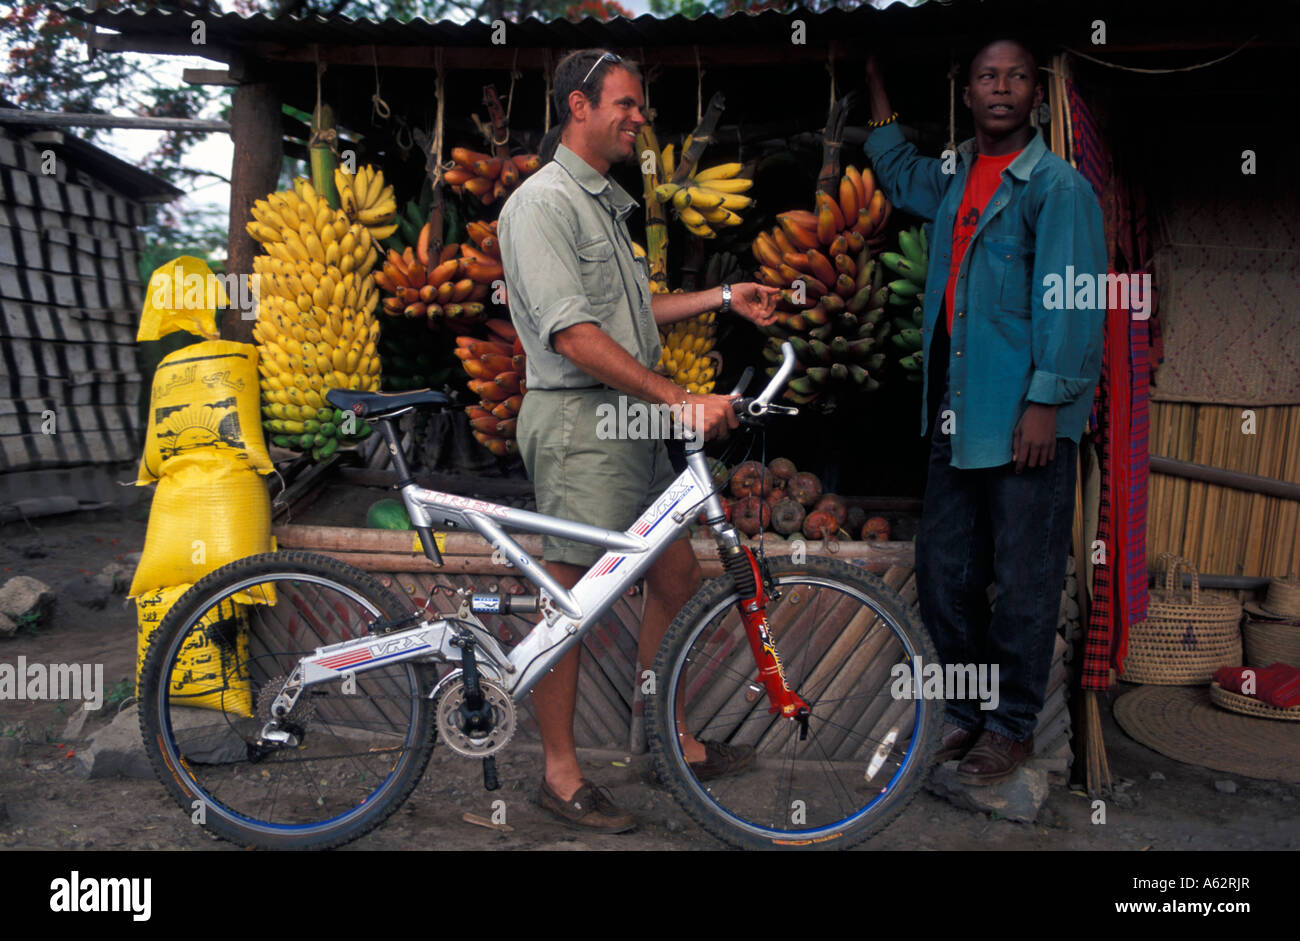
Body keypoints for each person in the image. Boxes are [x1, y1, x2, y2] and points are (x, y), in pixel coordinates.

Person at [497, 48, 780, 831]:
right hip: (581, 426)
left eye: (640, 104)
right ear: (578, 106)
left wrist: (724, 295)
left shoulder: (605, 202)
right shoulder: (541, 205)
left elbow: (629, 316)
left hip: (630, 424)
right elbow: (573, 335)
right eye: (624, 103)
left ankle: (666, 737)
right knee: (569, 605)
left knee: (678, 575)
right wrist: (678, 399)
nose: (638, 117)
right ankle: (558, 777)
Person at [863, 40, 1105, 785]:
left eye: (1016, 77)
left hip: (1027, 417)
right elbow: (900, 175)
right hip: (957, 412)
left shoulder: (1054, 187)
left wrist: (1045, 402)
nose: (1001, 88)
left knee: (1026, 579)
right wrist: (875, 86)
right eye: (986, 77)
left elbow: (1074, 299)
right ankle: (966, 712)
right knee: (943, 571)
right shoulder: (954, 175)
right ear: (965, 94)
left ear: (1036, 94)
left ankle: (1012, 725)